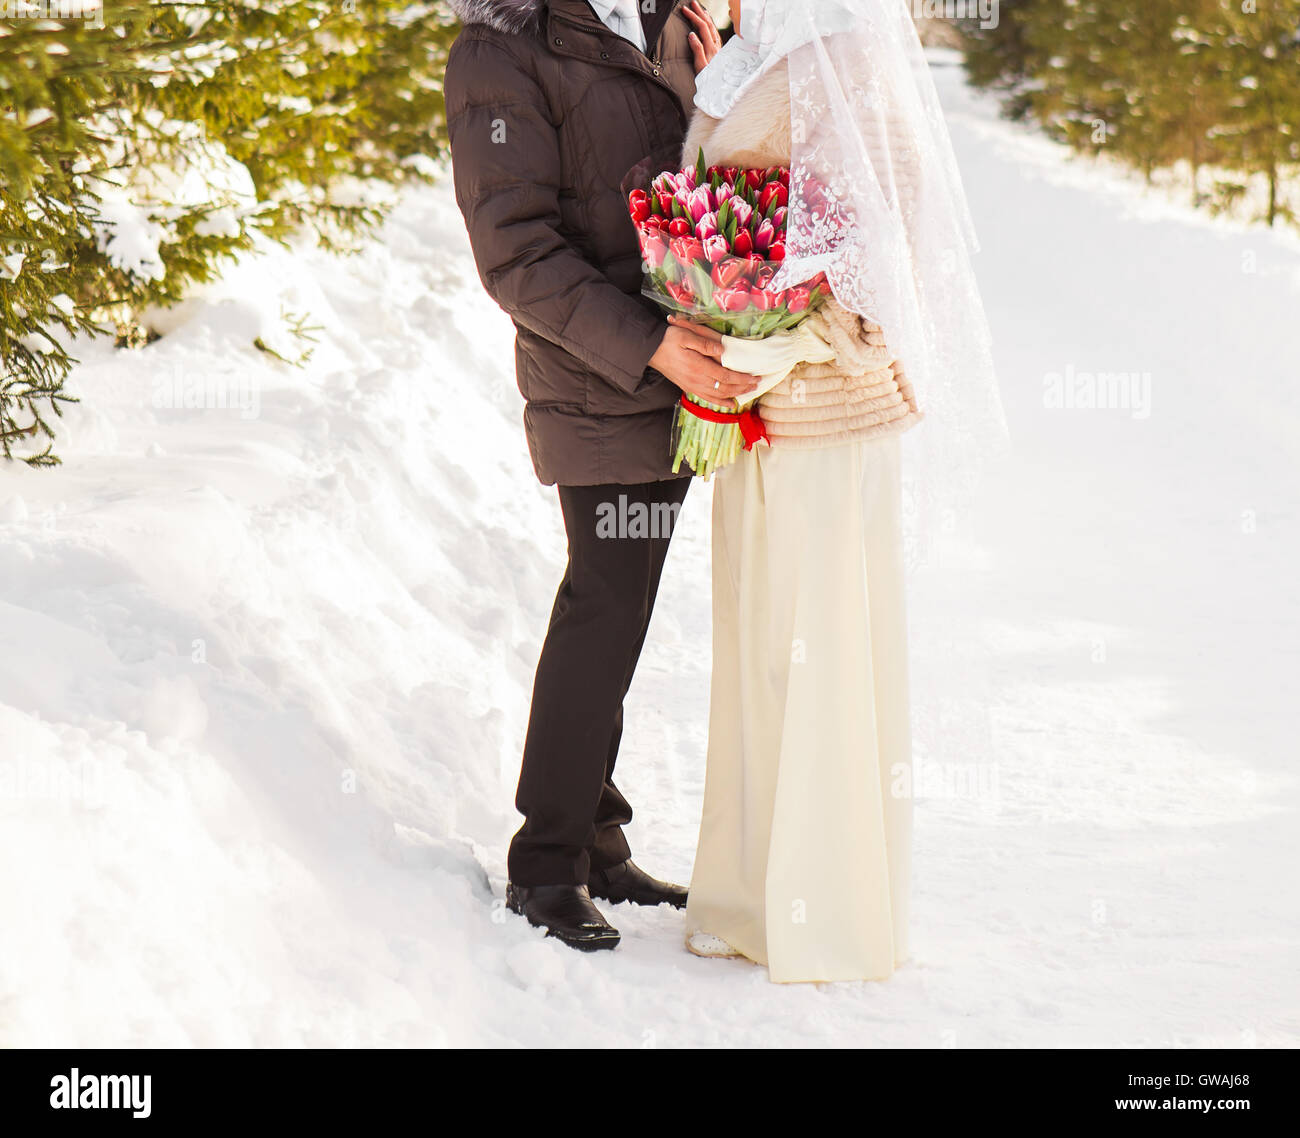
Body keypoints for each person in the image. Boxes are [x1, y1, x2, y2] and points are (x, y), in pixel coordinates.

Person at [681, 0, 1006, 982]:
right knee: (757, 647)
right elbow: (705, 198)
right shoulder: (743, 58)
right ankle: (747, 896)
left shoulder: (856, 53)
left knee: (820, 652)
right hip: (747, 412)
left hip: (826, 409)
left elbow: (888, 246)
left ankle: (825, 915)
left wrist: (795, 337)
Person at [444, 0, 755, 951]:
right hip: (602, 371)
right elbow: (517, 254)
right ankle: (544, 864)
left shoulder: (669, 17)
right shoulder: (500, 49)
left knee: (627, 604)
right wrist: (652, 342)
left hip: (682, 364)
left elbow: (699, 165)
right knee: (604, 602)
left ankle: (597, 839)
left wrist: (728, 72)